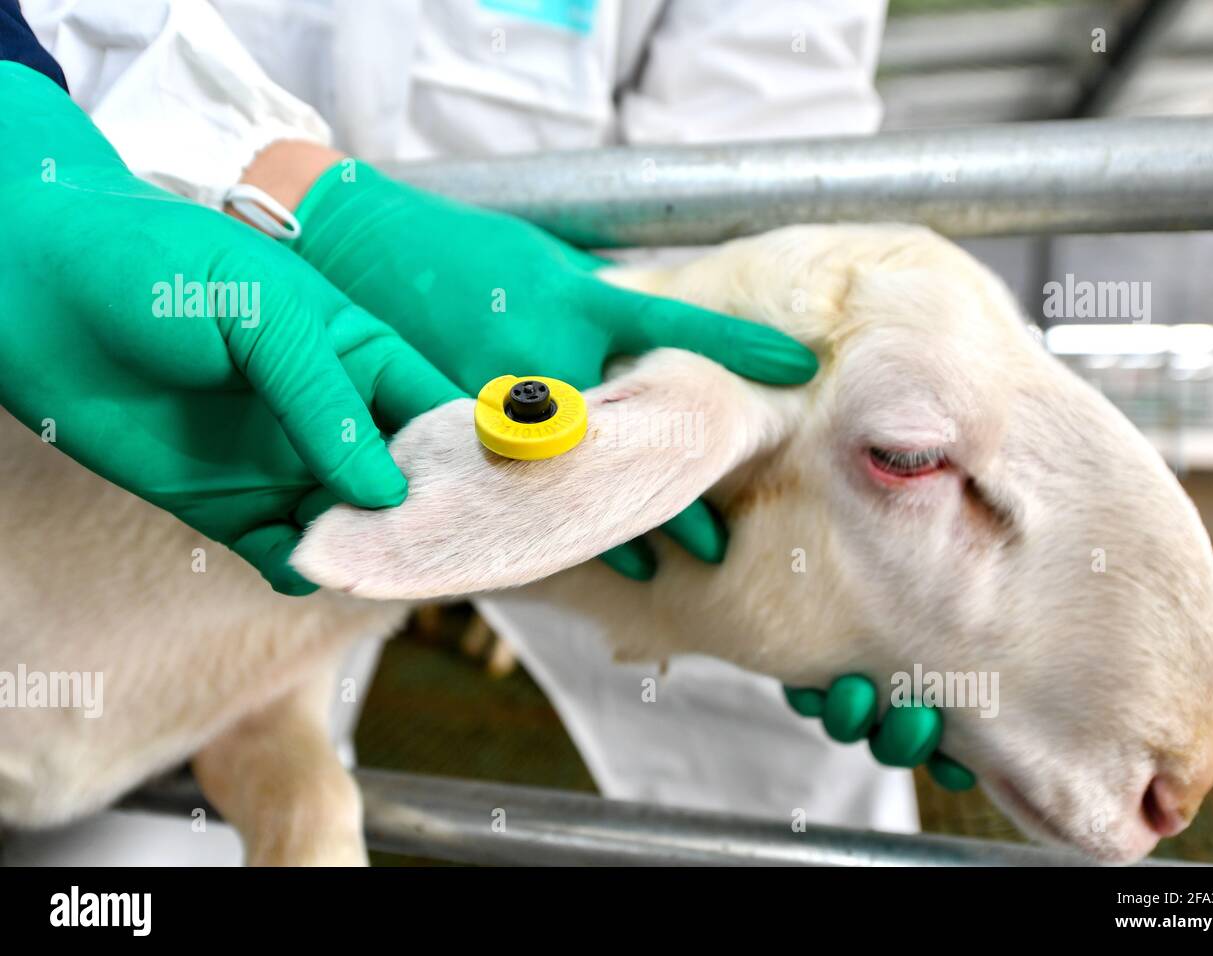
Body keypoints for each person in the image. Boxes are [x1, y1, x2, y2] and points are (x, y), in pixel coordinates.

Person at [4, 1, 959, 863]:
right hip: (161, 298)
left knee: (787, 779)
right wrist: (55, 157)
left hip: (452, 399)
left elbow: (752, 170)